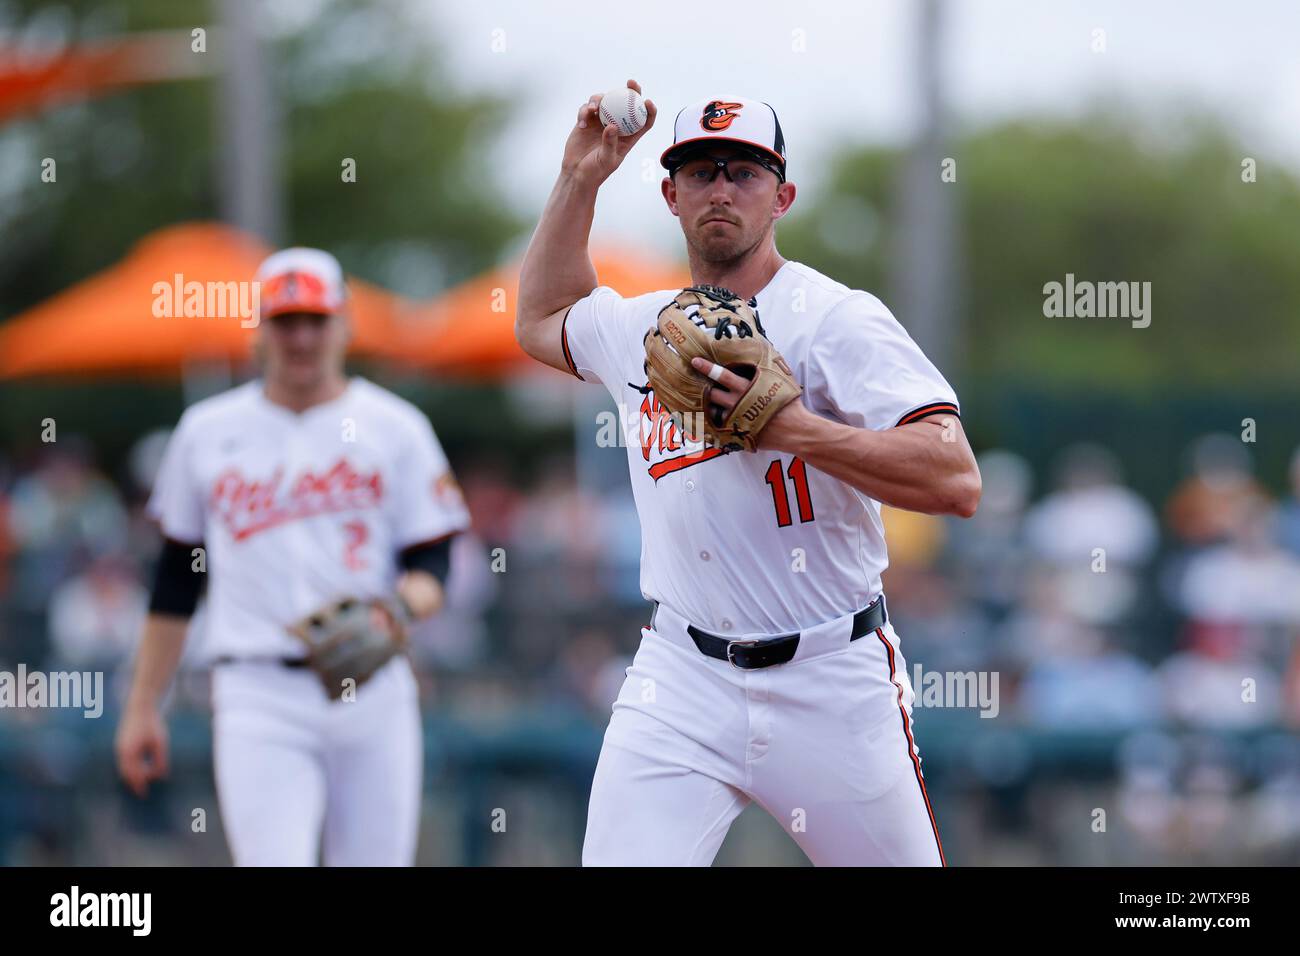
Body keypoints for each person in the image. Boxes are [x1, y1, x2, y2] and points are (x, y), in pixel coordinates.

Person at [515, 84, 981, 865]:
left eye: (744, 171)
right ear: (670, 194)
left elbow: (954, 478)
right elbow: (538, 320)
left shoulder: (837, 317)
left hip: (831, 675)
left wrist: (793, 428)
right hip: (680, 678)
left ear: (782, 195)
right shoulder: (643, 326)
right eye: (700, 172)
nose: (721, 188)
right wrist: (579, 179)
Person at [114, 248, 469, 866]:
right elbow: (175, 583)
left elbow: (434, 562)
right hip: (256, 691)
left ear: (343, 324)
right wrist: (144, 706)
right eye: (285, 321)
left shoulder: (395, 426)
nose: (301, 336)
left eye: (315, 319)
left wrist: (397, 609)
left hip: (373, 685)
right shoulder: (207, 430)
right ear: (260, 330)